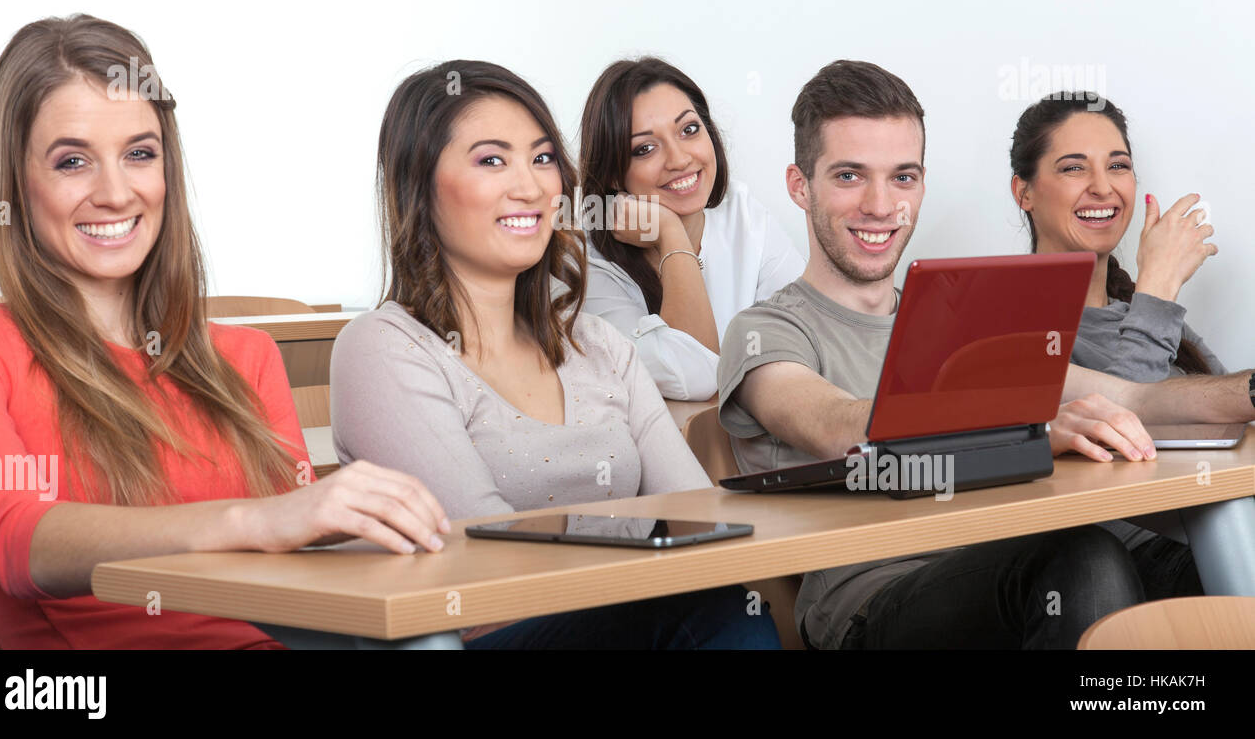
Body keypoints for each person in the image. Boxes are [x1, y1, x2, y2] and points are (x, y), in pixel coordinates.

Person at [717, 59, 1255, 649]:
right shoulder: (766, 331)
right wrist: (1024, 427)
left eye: (902, 177)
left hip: (1013, 565)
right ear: (800, 186)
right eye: (849, 176)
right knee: (1085, 558)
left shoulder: (964, 322)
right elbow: (839, 430)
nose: (879, 204)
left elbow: (1132, 397)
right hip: (878, 603)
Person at [0, 15, 452, 650]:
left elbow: (298, 572)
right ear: (15, 186)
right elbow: (20, 544)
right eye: (72, 161)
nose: (115, 192)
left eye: (140, 153)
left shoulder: (244, 357)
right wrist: (257, 519)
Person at [330, 59, 780, 649]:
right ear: (418, 184)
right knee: (710, 611)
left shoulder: (598, 346)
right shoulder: (383, 348)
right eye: (492, 160)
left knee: (728, 608)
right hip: (495, 632)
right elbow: (488, 555)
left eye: (542, 158)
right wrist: (638, 543)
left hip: (632, 618)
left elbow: (705, 520)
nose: (531, 186)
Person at [1010, 91, 1228, 596]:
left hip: (1218, 530)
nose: (1103, 188)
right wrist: (1159, 287)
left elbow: (1228, 420)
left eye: (1119, 165)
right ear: (1024, 192)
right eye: (1072, 169)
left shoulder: (1148, 314)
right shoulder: (1006, 329)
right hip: (1123, 567)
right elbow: (1126, 420)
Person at [576, 58, 803, 401]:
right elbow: (693, 378)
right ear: (611, 174)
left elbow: (808, 341)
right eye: (645, 148)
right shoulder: (589, 269)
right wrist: (671, 235)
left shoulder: (743, 215)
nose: (680, 159)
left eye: (689, 130)